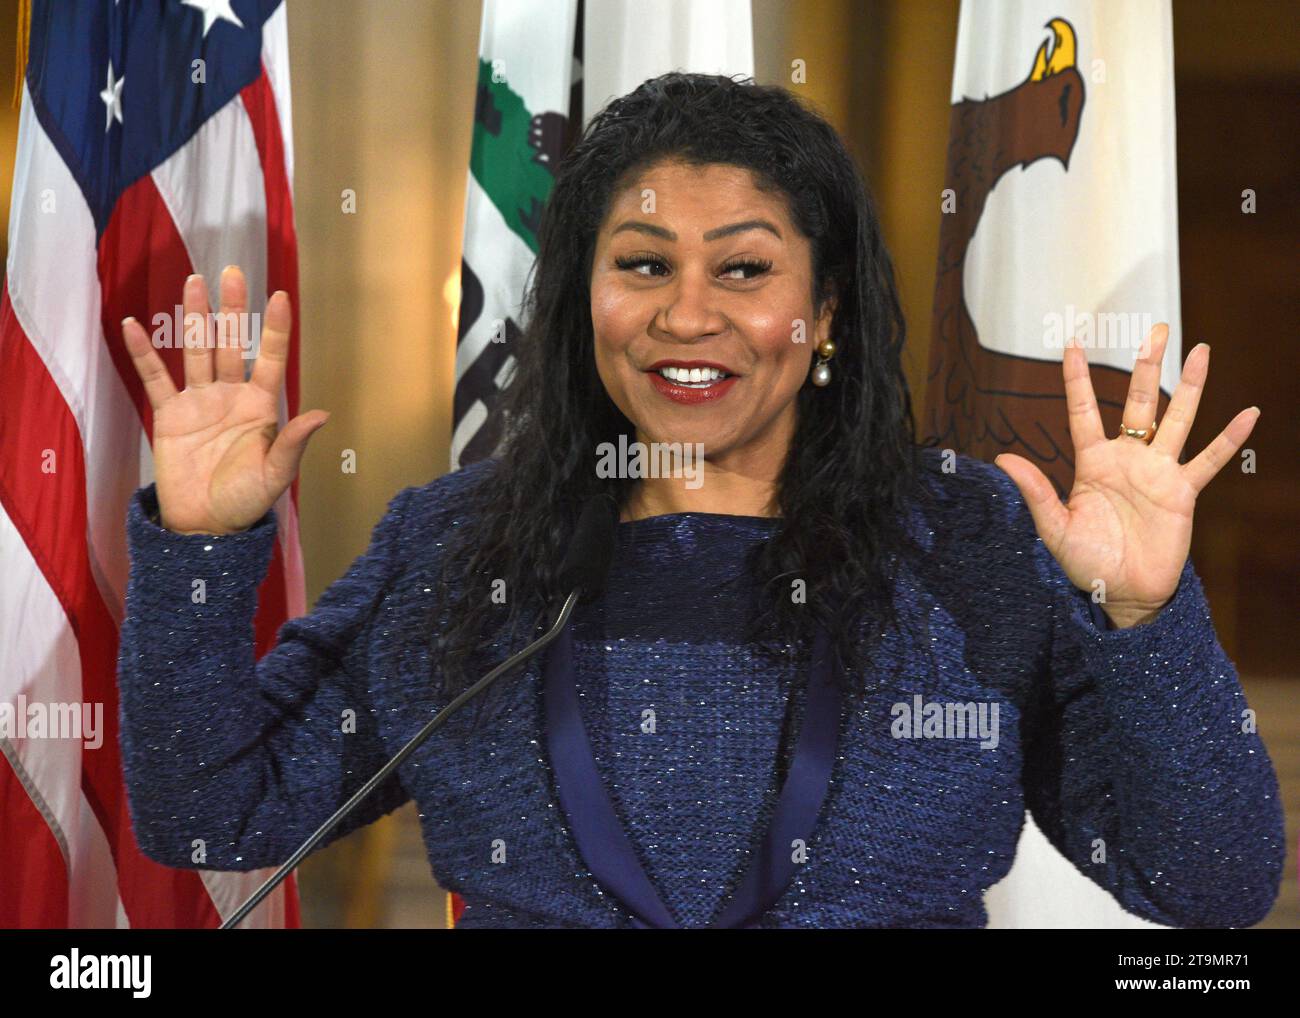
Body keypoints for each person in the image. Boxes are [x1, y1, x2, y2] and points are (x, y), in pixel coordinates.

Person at [116, 72, 1284, 928]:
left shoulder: (968, 536)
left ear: (823, 313)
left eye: (742, 267)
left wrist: (1145, 620)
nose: (686, 315)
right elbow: (215, 817)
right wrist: (202, 549)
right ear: (584, 300)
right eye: (640, 264)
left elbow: (1210, 884)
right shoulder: (456, 541)